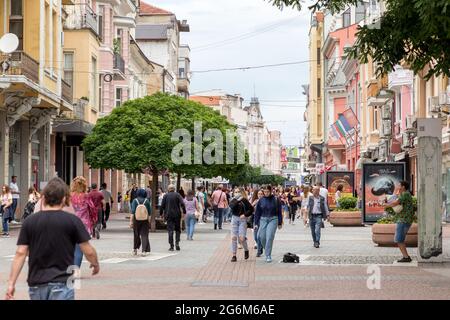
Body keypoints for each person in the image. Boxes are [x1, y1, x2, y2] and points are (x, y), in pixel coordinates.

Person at [5, 177, 100, 300]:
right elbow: (88, 250)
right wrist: (95, 263)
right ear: (64, 199)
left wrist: (11, 284)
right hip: (63, 282)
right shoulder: (72, 220)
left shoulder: (30, 222)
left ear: (43, 198)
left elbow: (20, 253)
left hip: (37, 283)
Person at [384, 180, 415, 263]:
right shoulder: (403, 194)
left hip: (404, 219)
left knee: (399, 239)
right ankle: (406, 256)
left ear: (403, 187)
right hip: (403, 219)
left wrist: (386, 205)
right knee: (399, 239)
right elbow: (395, 199)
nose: (397, 186)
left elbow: (396, 202)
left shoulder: (405, 194)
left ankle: (406, 257)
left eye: (399, 185)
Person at [70, 177, 98, 271]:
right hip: (83, 225)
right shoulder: (86, 196)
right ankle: (75, 270)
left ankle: (69, 269)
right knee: (79, 249)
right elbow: (93, 209)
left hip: (69, 224)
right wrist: (94, 221)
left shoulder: (69, 196)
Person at [254, 185, 283, 263]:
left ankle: (268, 255)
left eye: (267, 191)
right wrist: (256, 223)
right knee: (261, 236)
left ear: (271, 191)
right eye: (265, 192)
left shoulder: (276, 199)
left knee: (269, 236)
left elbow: (279, 212)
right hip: (263, 219)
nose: (266, 193)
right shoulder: (261, 200)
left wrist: (280, 222)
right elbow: (257, 212)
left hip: (273, 219)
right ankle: (266, 248)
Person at [229, 188, 254, 262]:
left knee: (242, 238)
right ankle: (234, 255)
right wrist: (237, 200)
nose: (236, 193)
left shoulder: (244, 200)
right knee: (233, 237)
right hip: (234, 219)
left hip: (242, 220)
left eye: (238, 192)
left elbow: (251, 209)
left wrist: (245, 215)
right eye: (235, 192)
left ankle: (246, 250)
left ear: (241, 192)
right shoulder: (233, 200)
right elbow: (231, 206)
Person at [160, 185, 186, 251]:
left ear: (168, 189)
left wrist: (161, 213)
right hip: (177, 215)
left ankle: (171, 246)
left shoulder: (166, 196)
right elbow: (182, 203)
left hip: (168, 215)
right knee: (177, 229)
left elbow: (162, 205)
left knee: (170, 230)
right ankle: (177, 243)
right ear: (174, 189)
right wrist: (184, 211)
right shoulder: (177, 195)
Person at [130, 188, 152, 256]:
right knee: (144, 235)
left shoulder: (135, 201)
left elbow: (132, 212)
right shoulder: (147, 201)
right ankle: (144, 251)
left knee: (136, 235)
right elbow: (149, 213)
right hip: (145, 220)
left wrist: (131, 221)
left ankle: (135, 249)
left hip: (136, 220)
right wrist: (149, 222)